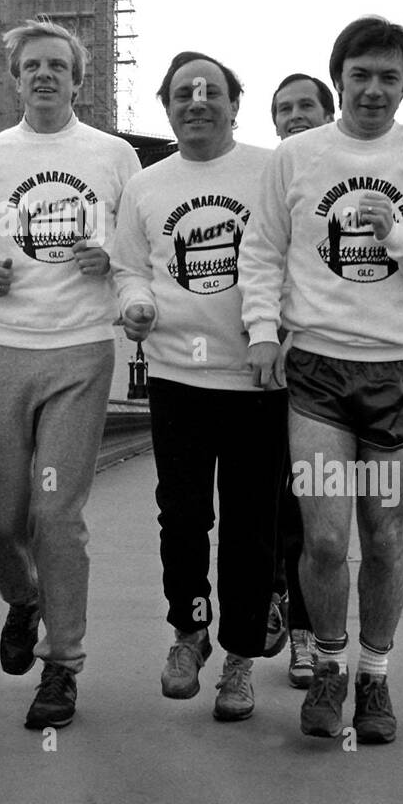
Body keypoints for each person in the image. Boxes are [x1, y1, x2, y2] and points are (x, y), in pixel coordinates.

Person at [240, 17, 403, 742]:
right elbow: (262, 252)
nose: (374, 89)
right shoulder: (298, 157)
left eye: (389, 77)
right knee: (325, 537)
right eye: (361, 75)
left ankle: (375, 678)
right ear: (338, 77)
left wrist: (397, 236)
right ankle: (331, 665)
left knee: (385, 532)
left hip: (397, 375)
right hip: (317, 376)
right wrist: (261, 334)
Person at [0, 19, 139, 730]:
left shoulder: (115, 155)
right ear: (15, 80)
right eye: (31, 66)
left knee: (55, 514)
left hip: (80, 348)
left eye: (56, 67)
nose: (43, 76)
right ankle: (22, 599)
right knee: (4, 520)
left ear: (77, 80)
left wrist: (115, 265)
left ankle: (63, 666)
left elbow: (141, 248)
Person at [111, 52, 289, 722]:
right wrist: (133, 302)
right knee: (182, 517)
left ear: (233, 105)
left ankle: (241, 658)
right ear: (168, 108)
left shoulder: (270, 170)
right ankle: (190, 630)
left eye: (211, 91)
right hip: (177, 375)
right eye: (183, 92)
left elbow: (289, 259)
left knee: (250, 525)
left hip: (255, 376)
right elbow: (129, 267)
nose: (196, 101)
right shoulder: (146, 186)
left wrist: (278, 335)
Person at [268, 72, 335, 688]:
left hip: (328, 372)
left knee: (312, 515)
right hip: (266, 368)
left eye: (306, 107)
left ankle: (309, 638)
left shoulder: (339, 183)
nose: (295, 117)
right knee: (266, 503)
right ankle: (273, 597)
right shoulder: (272, 181)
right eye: (284, 110)